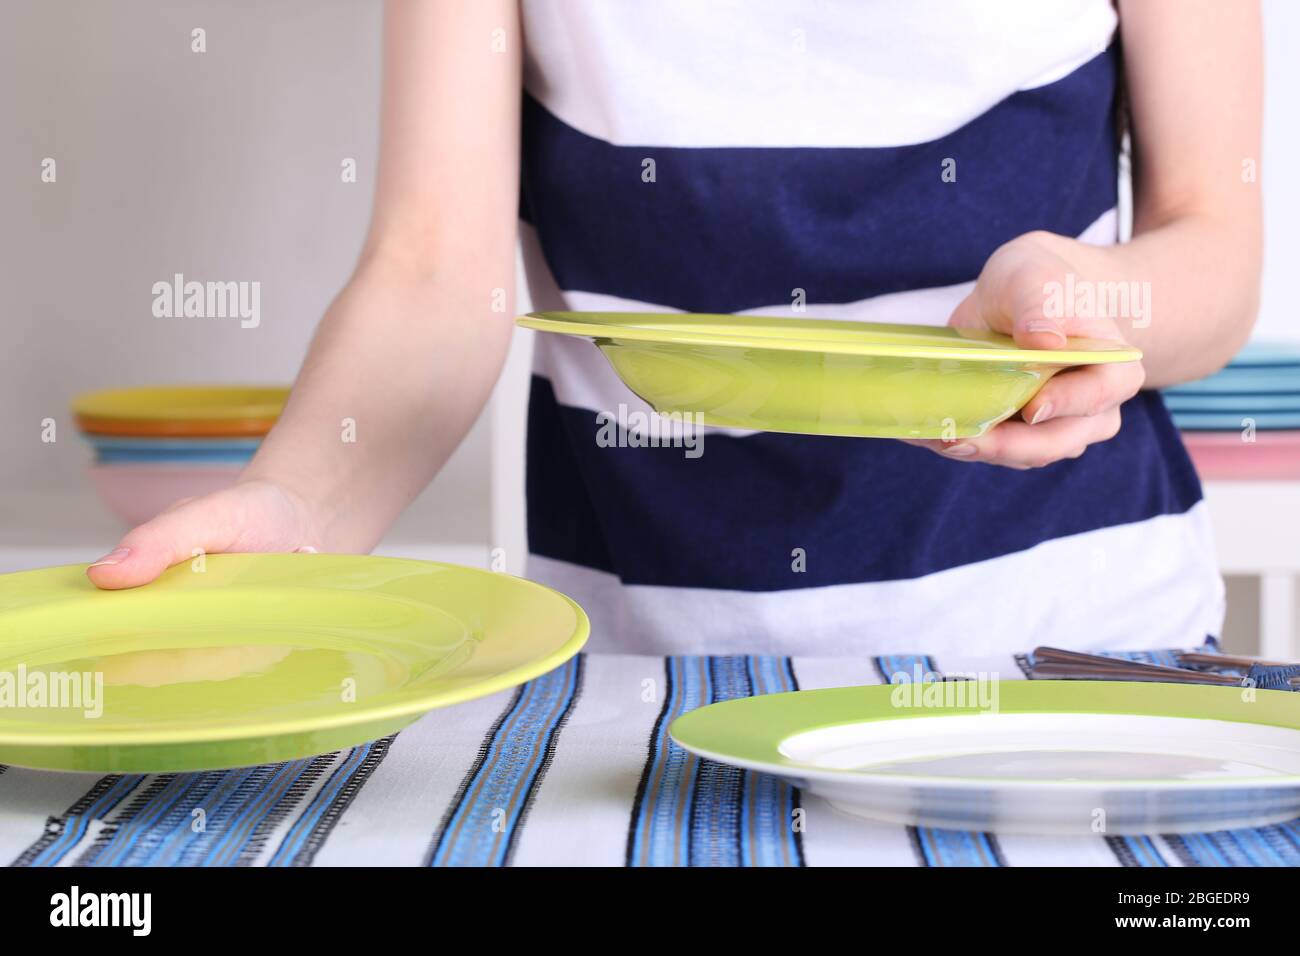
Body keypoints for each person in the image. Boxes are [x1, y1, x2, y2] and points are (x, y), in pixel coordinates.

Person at [88, 0, 1262, 657]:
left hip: (1081, 652)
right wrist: (300, 504)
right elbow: (433, 268)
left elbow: (1214, 248)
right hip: (648, 681)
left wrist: (1087, 304)